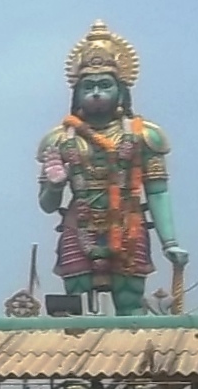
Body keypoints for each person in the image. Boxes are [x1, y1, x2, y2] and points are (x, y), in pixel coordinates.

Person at [36, 21, 188, 316]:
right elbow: (47, 205)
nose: (96, 93)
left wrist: (170, 242)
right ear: (76, 93)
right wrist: (54, 186)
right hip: (79, 227)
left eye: (105, 85)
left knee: (130, 305)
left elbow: (157, 191)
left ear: (121, 90)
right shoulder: (59, 140)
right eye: (88, 87)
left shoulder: (144, 136)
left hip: (128, 227)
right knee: (74, 310)